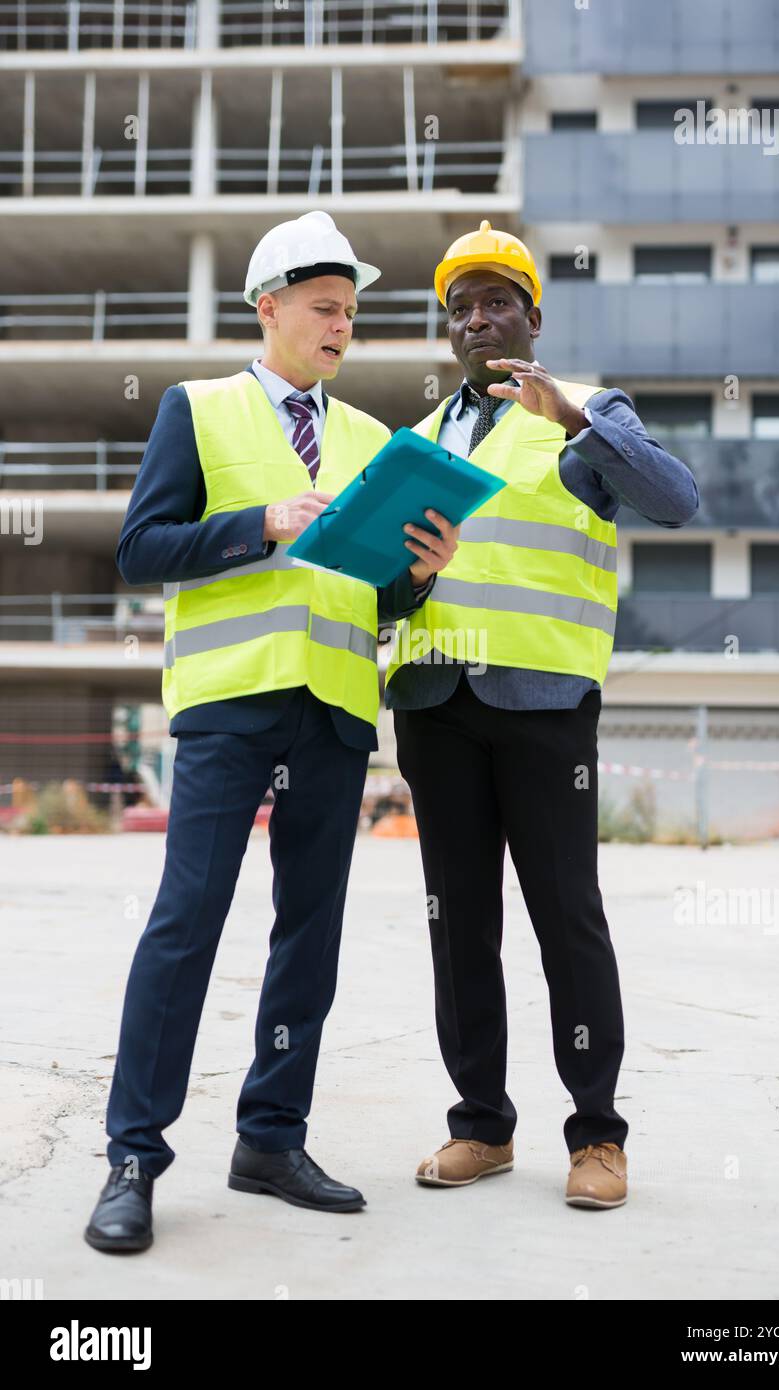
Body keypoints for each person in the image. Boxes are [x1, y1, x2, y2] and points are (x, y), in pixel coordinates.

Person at [84, 211, 458, 1253]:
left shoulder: (377, 442)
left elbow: (377, 603)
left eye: (351, 312)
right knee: (186, 918)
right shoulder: (196, 410)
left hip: (333, 709)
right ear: (270, 309)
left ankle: (271, 1138)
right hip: (230, 703)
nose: (342, 326)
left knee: (309, 933)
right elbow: (140, 549)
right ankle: (131, 1158)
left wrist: (417, 575)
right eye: (325, 308)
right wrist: (261, 525)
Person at [384, 220, 700, 1208]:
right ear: (449, 329)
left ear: (531, 313)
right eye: (461, 307)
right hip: (435, 707)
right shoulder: (416, 442)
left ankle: (595, 1135)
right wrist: (403, 579)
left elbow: (677, 499)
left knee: (567, 920)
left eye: (496, 301)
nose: (478, 319)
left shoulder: (585, 414)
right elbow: (383, 592)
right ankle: (480, 1124)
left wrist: (572, 416)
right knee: (458, 926)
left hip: (544, 711)